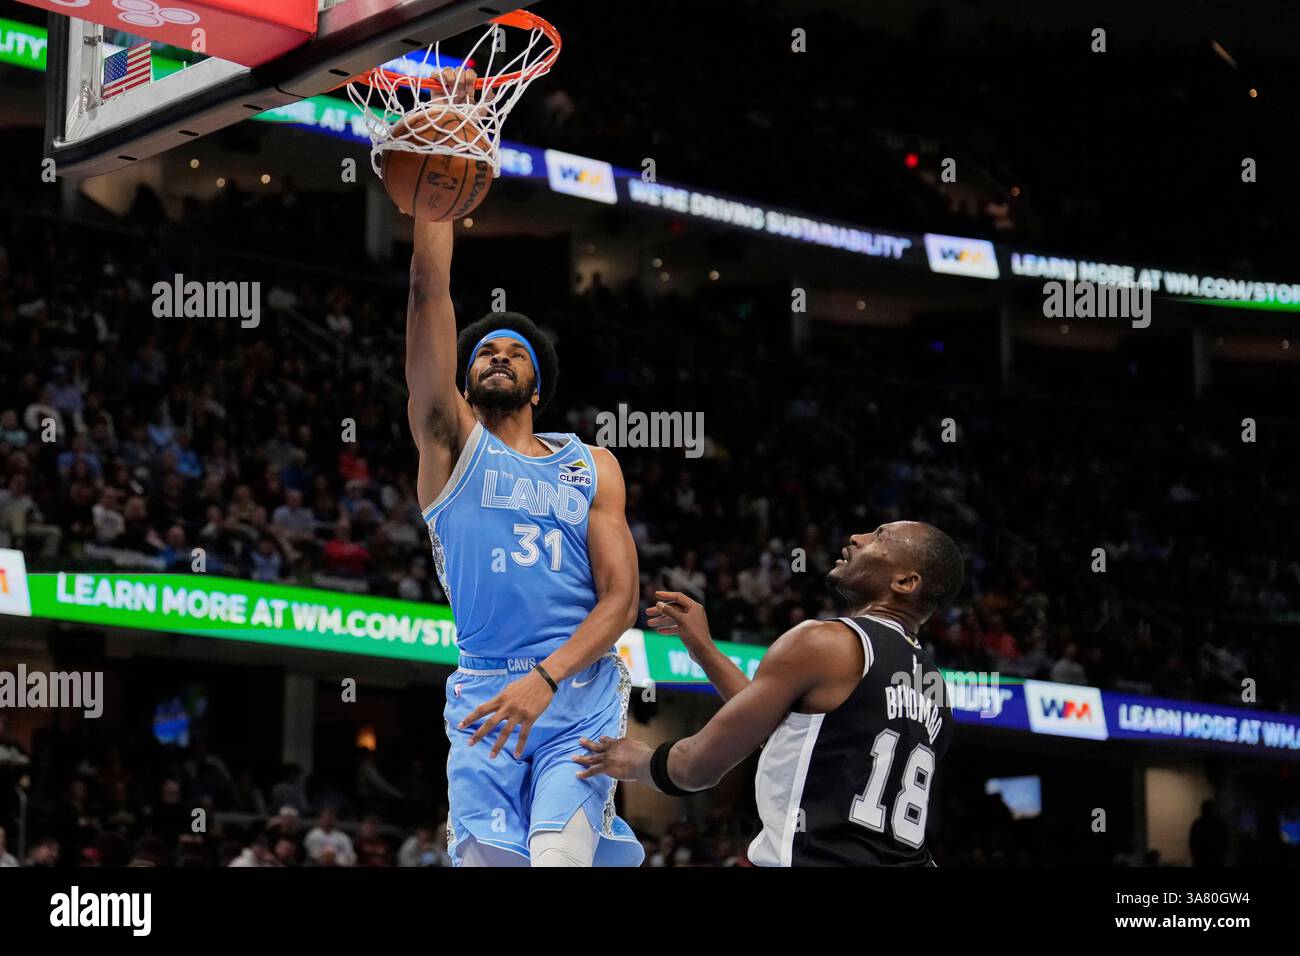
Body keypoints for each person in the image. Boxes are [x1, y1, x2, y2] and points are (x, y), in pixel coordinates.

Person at [402, 69, 641, 868]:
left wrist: (549, 675)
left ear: (537, 382)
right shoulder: (449, 444)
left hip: (578, 691)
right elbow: (427, 293)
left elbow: (620, 600)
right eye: (483, 353)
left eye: (515, 352)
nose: (497, 356)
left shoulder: (592, 465)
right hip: (482, 692)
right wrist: (436, 207)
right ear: (466, 381)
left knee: (557, 858)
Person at [577, 521, 964, 866]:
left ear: (905, 582)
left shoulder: (825, 641)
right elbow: (784, 738)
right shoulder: (935, 687)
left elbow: (694, 768)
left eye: (880, 536)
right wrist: (705, 652)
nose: (857, 537)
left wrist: (636, 760)